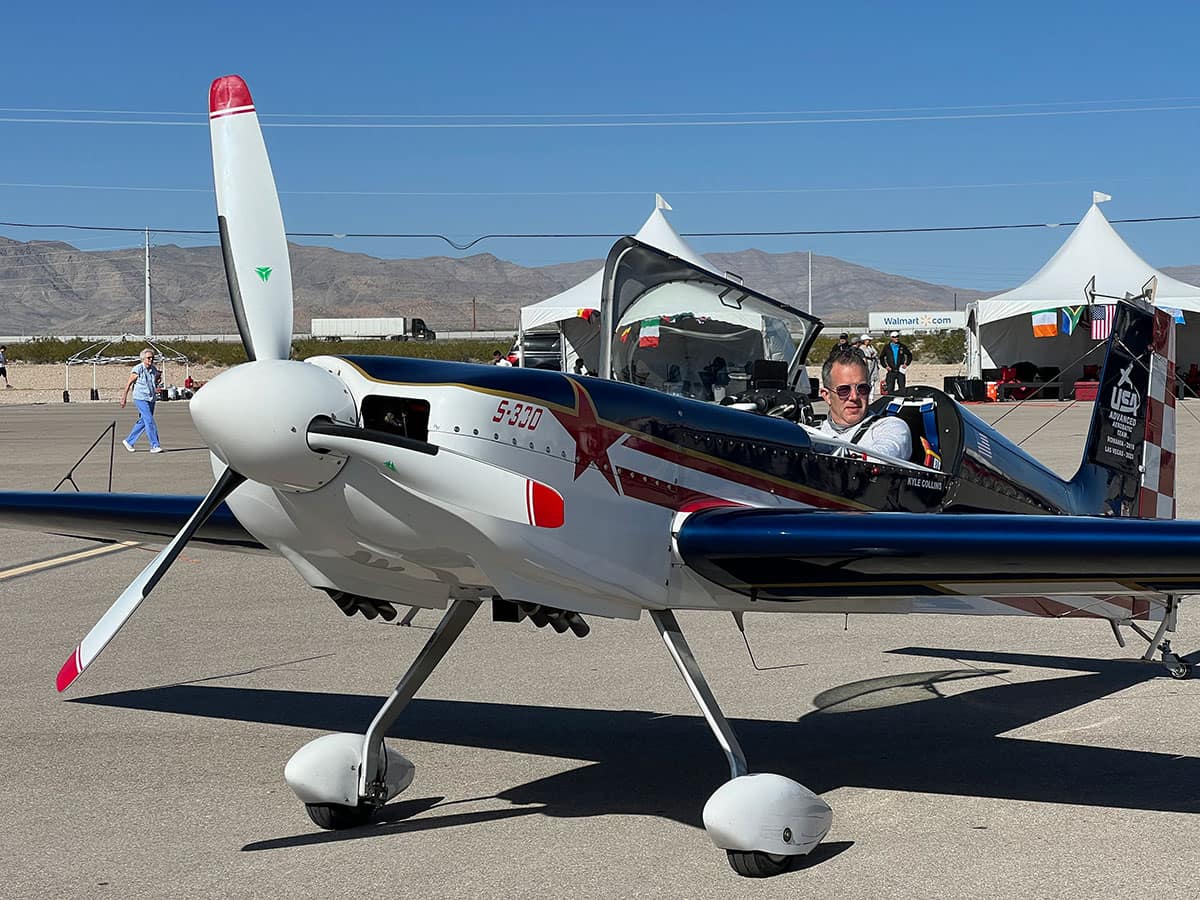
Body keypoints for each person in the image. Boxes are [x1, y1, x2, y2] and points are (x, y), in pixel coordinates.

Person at [816, 347, 911, 460]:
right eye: (844, 390)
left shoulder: (891, 427)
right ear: (826, 396)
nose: (854, 397)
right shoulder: (813, 432)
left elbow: (883, 457)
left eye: (862, 388)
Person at [121, 348, 164, 453]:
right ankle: (155, 445)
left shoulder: (153, 370)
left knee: (144, 421)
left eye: (152, 358)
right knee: (149, 420)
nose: (151, 360)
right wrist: (124, 397)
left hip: (151, 398)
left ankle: (129, 441)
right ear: (143, 359)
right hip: (140, 398)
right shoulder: (138, 369)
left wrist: (156, 388)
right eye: (148, 358)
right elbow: (129, 383)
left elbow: (153, 382)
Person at [858, 333, 880, 400]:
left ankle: (871, 397)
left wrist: (873, 355)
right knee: (867, 380)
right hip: (867, 365)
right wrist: (871, 355)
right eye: (867, 340)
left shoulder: (871, 347)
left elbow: (875, 353)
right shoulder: (861, 348)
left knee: (872, 381)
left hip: (873, 365)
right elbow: (868, 355)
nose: (869, 341)